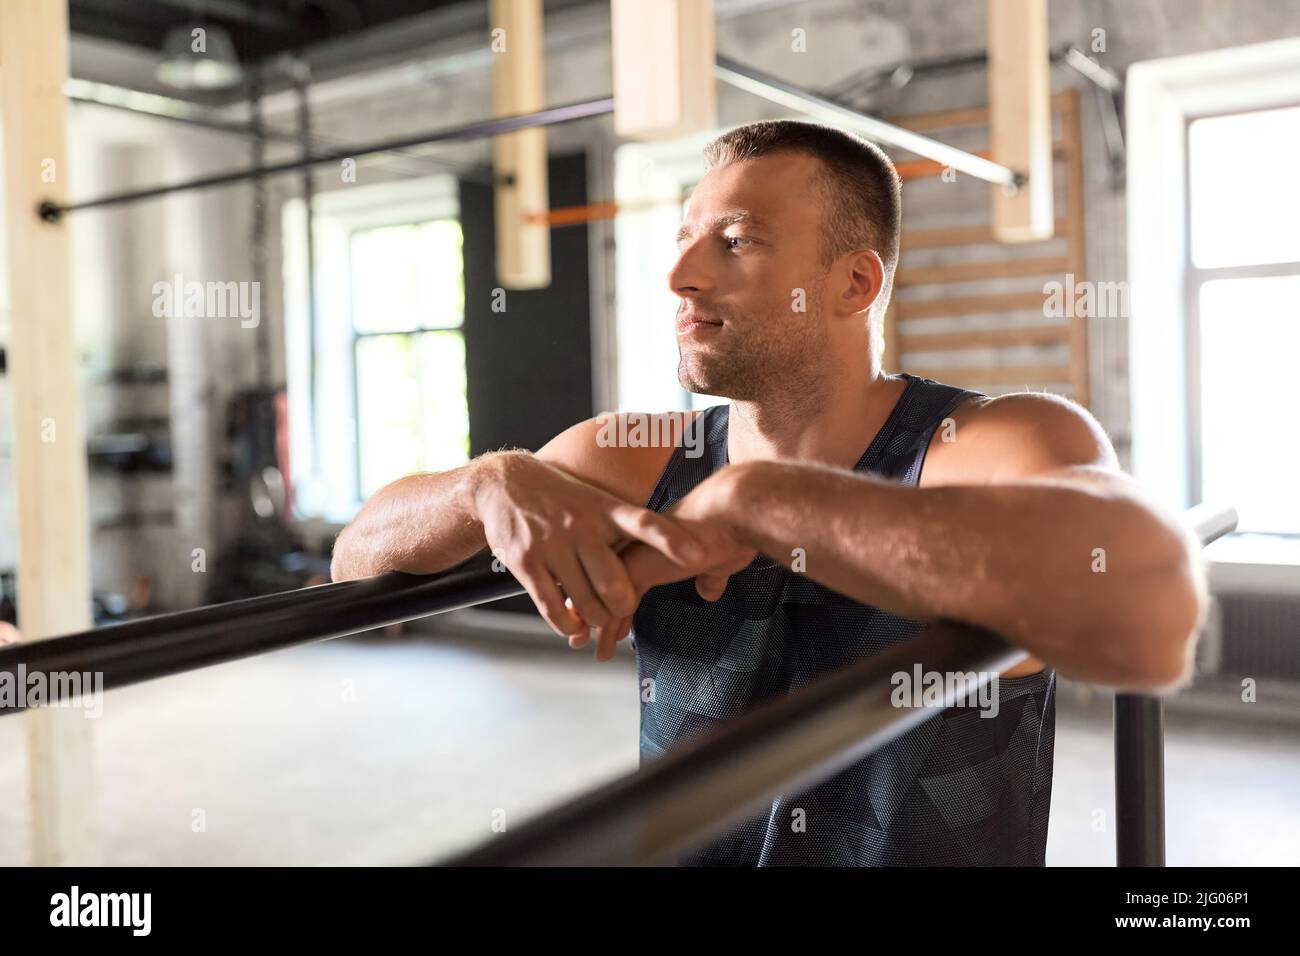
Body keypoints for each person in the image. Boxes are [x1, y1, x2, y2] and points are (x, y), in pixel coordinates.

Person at [331, 120, 1205, 865]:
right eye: (684, 238)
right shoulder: (636, 457)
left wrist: (762, 502)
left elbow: (1147, 601)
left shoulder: (981, 443)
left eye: (736, 242)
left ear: (853, 283)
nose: (681, 276)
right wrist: (488, 482)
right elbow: (354, 559)